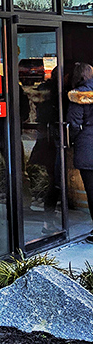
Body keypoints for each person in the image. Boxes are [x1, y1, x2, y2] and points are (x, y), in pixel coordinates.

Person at [67, 62, 93, 243]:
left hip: (88, 147)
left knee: (92, 191)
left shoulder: (79, 96)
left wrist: (73, 140)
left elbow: (73, 124)